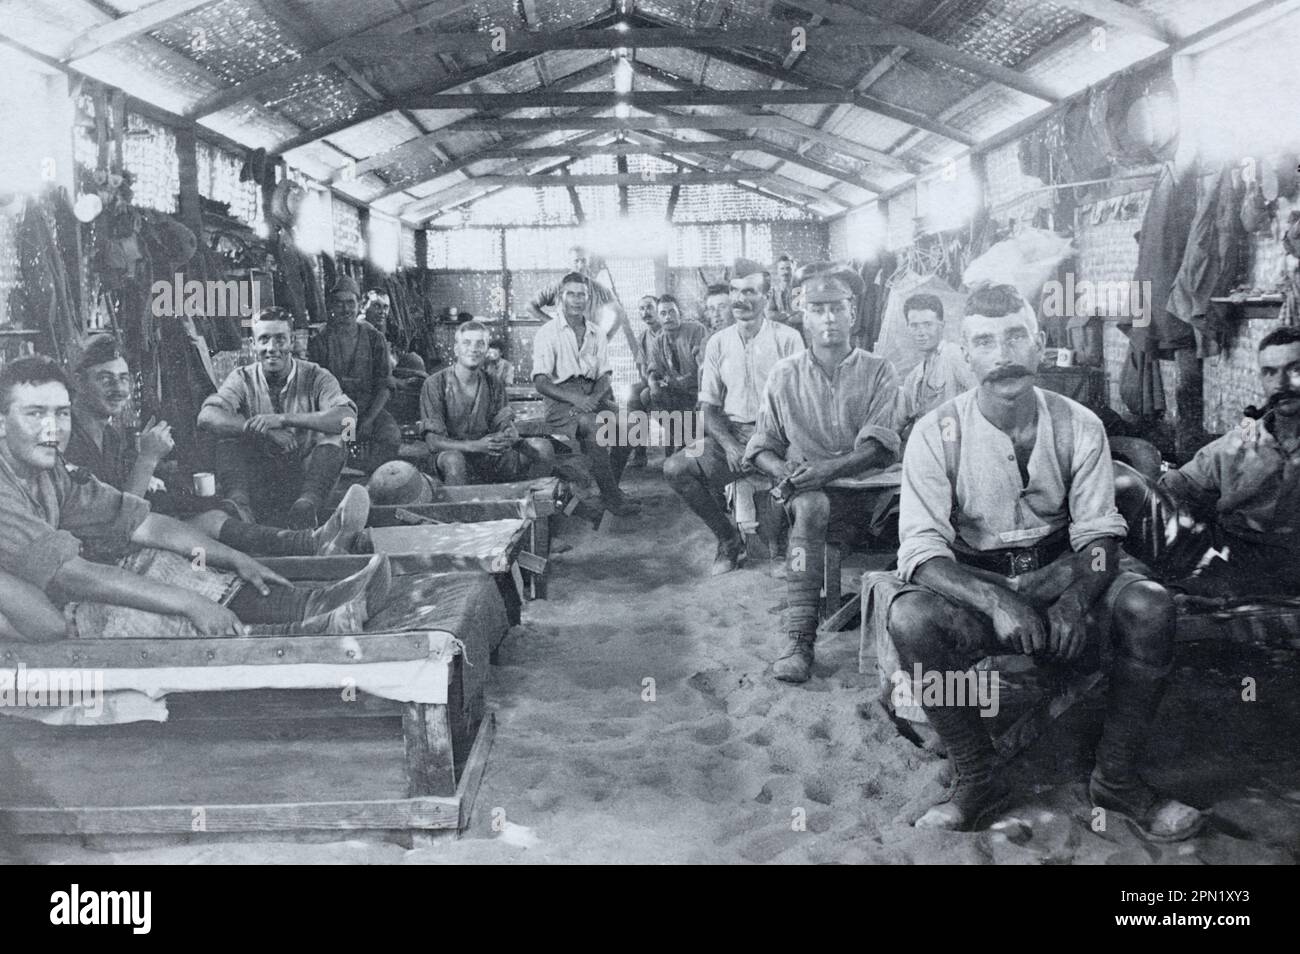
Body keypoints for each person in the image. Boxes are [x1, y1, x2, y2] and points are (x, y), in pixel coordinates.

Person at [868, 282, 1201, 840]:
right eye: (985, 342)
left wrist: (1074, 601)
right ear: (967, 354)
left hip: (1064, 566)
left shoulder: (1080, 424)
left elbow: (1099, 537)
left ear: (1039, 345)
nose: (1003, 355)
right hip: (975, 578)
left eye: (1016, 336)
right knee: (911, 618)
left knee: (1151, 606)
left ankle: (1116, 779)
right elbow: (922, 554)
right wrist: (997, 599)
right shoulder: (934, 433)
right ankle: (978, 778)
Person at [0, 356, 391, 640]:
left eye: (61, 414)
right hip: (28, 610)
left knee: (164, 559)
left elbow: (142, 522)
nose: (52, 428)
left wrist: (235, 558)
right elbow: (75, 574)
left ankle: (312, 605)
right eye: (35, 414)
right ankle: (305, 627)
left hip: (44, 589)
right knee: (112, 612)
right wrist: (189, 603)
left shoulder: (51, 471)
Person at [67, 335, 369, 558]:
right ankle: (313, 543)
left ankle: (313, 541)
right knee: (210, 528)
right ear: (78, 382)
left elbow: (347, 421)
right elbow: (117, 524)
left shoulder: (109, 434)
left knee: (213, 517)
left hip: (138, 527)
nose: (119, 389)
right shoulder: (69, 438)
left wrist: (159, 472)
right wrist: (147, 459)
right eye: (105, 380)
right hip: (101, 550)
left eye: (122, 379)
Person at [745, 267, 901, 683]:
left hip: (874, 492)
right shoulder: (784, 375)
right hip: (813, 497)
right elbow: (762, 445)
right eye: (818, 309)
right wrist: (783, 470)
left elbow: (879, 446)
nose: (829, 318)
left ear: (853, 315)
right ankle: (799, 638)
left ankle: (911, 640)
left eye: (837, 308)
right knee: (811, 506)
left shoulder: (879, 370)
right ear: (803, 316)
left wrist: (827, 469)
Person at [664, 267, 804, 575]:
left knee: (800, 477)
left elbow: (802, 405)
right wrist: (728, 445)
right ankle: (728, 541)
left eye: (750, 291)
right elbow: (708, 407)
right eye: (736, 292)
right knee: (676, 468)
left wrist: (778, 446)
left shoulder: (789, 339)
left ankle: (783, 546)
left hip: (778, 438)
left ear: (766, 297)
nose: (741, 299)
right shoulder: (717, 343)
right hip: (734, 436)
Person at [1157, 326, 1300, 595]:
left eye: (1295, 370)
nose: (1281, 383)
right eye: (1270, 372)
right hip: (1235, 557)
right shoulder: (1244, 438)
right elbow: (1176, 485)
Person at [199, 307, 355, 529]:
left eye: (280, 340)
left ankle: (306, 508)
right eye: (264, 340)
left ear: (292, 342)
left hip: (306, 478)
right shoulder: (242, 377)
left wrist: (283, 419)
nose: (272, 348)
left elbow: (348, 419)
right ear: (253, 345)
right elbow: (207, 416)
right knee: (227, 435)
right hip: (261, 479)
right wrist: (261, 429)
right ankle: (239, 506)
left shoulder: (316, 375)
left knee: (336, 436)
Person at [531, 273, 639, 516]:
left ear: (588, 299)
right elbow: (540, 382)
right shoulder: (547, 332)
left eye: (582, 295)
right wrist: (576, 400)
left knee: (633, 423)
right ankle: (613, 499)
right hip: (561, 400)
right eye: (571, 294)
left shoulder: (596, 333)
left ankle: (608, 489)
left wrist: (595, 397)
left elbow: (605, 374)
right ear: (561, 297)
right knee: (594, 425)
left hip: (592, 396)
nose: (577, 300)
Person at [421, 321, 553, 485]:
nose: (473, 349)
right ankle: (455, 509)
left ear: (486, 350)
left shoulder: (494, 384)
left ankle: (531, 500)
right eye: (466, 343)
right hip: (452, 454)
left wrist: (509, 434)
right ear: (456, 349)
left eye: (480, 343)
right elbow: (433, 442)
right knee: (454, 461)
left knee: (542, 448)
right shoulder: (435, 383)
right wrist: (476, 445)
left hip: (488, 455)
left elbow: (503, 422)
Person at [308, 278, 401, 472]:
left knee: (391, 436)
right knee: (337, 445)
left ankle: (373, 479)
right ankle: (347, 477)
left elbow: (385, 386)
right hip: (334, 411)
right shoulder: (321, 340)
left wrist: (367, 420)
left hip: (369, 409)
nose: (345, 309)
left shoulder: (375, 338)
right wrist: (345, 422)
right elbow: (315, 389)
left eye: (350, 302)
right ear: (331, 306)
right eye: (339, 303)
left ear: (359, 305)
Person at [896, 292, 977, 436]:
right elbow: (901, 420)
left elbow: (981, 397)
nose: (921, 332)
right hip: (926, 446)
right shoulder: (914, 377)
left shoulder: (955, 355)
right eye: (914, 326)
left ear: (942, 325)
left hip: (956, 443)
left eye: (928, 324)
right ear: (908, 327)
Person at [645, 294, 707, 452]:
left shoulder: (695, 330)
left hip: (698, 391)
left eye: (672, 312)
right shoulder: (658, 341)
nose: (668, 317)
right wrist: (653, 385)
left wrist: (702, 395)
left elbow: (704, 367)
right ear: (658, 318)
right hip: (677, 392)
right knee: (646, 395)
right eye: (663, 313)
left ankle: (689, 441)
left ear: (680, 313)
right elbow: (653, 370)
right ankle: (680, 437)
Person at [616, 294, 662, 474]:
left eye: (649, 307)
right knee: (633, 394)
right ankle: (640, 451)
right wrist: (648, 381)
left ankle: (674, 451)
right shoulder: (644, 336)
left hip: (672, 383)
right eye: (642, 309)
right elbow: (643, 366)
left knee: (648, 396)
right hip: (652, 382)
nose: (646, 312)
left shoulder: (668, 331)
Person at [528, 245, 621, 324]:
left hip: (590, 341)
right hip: (564, 342)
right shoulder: (558, 286)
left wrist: (607, 337)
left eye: (583, 261)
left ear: (588, 262)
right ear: (569, 263)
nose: (580, 265)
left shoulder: (599, 288)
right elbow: (530, 306)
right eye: (576, 261)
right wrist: (552, 324)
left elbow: (619, 312)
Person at [766, 254, 798, 325]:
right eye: (782, 269)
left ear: (794, 270)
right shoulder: (774, 291)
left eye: (788, 268)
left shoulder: (799, 290)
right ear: (778, 271)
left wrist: (779, 316)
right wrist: (787, 315)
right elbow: (769, 314)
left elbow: (802, 314)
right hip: (780, 331)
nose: (785, 272)